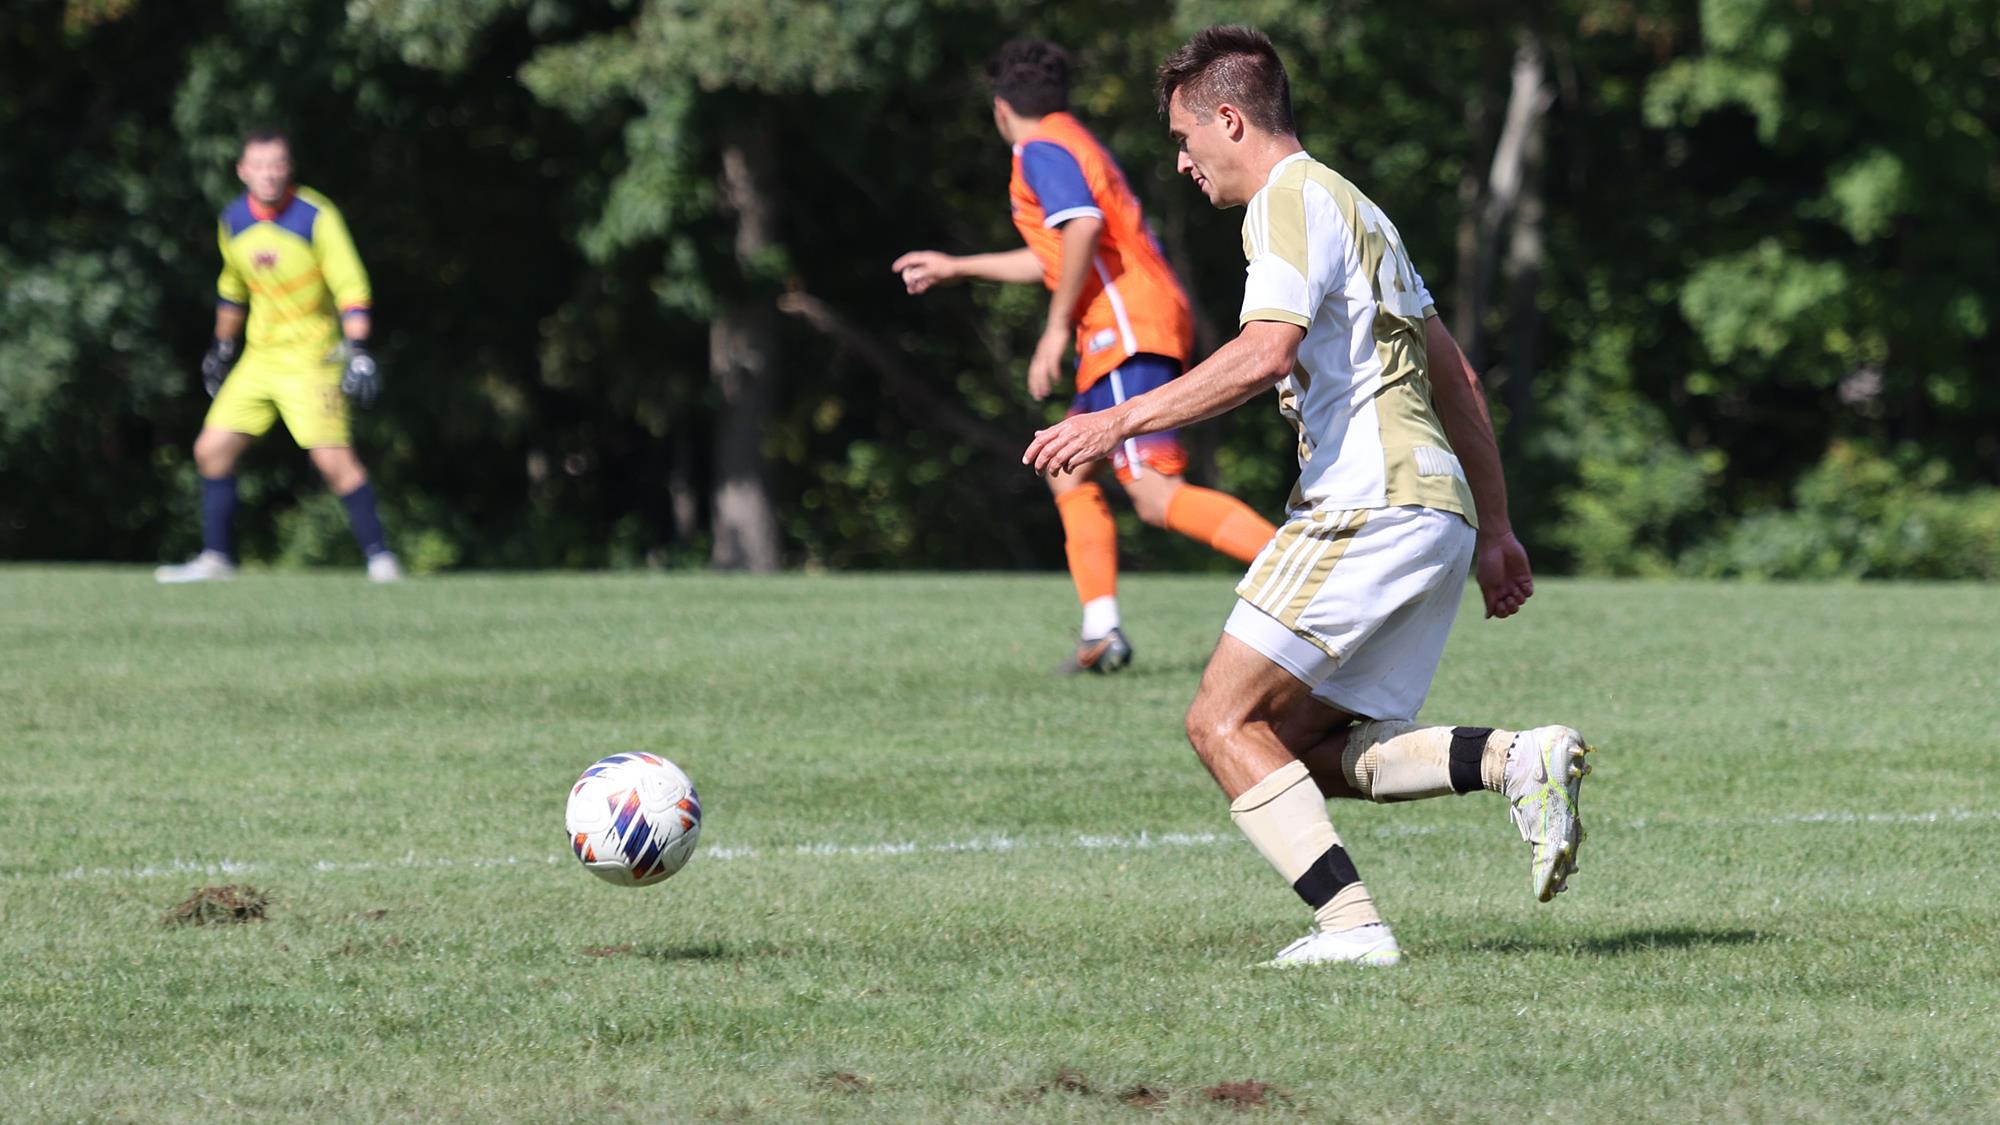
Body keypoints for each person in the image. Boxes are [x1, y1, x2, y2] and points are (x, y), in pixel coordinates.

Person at [1024, 26, 1593, 966]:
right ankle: (1513, 758)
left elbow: (1265, 352)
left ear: (1230, 120)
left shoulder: (1285, 199)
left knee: (1219, 720)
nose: (1182, 162)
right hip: (1433, 511)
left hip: (1364, 502)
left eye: (1185, 139)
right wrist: (1493, 527)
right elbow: (1459, 379)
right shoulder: (1363, 209)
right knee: (1299, 743)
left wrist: (1117, 420)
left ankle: (1352, 928)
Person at [894, 39, 1276, 674]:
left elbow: (1083, 228)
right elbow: (1060, 249)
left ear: (1000, 108)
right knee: (1068, 469)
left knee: (1154, 494)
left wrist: (1053, 329)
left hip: (1124, 327)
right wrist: (958, 266)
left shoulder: (1038, 149)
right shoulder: (1069, 138)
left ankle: (1304, 577)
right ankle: (1101, 631)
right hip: (1129, 322)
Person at [155, 130, 401, 584]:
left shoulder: (316, 216)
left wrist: (359, 351)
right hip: (260, 358)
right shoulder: (233, 220)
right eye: (259, 166)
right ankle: (217, 558)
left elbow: (351, 287)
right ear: (242, 171)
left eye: (277, 165)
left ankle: (381, 560)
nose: (269, 174)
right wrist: (221, 348)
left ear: (288, 169)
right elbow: (232, 290)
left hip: (312, 358)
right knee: (211, 450)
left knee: (333, 462)